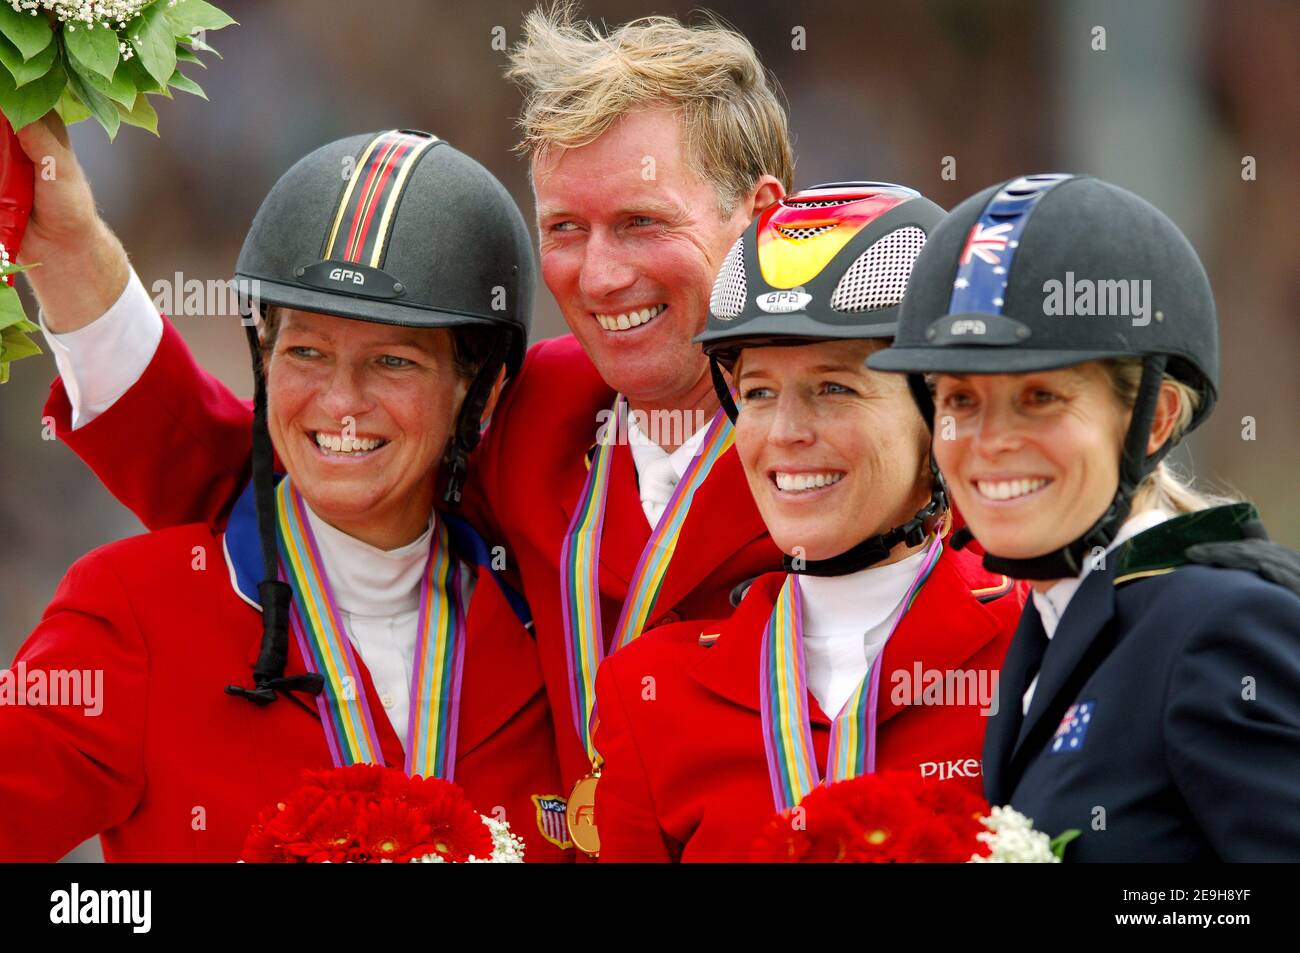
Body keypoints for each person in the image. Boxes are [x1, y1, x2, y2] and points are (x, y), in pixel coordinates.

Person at [30, 10, 796, 847]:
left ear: (761, 215)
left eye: (642, 221)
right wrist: (68, 256)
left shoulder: (875, 431)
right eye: (566, 228)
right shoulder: (539, 411)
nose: (604, 275)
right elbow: (282, 475)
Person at [0, 129, 571, 862]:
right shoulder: (133, 611)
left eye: (392, 361)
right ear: (263, 358)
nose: (340, 402)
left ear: (482, 389)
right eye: (305, 351)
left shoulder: (550, 632)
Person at [867, 173, 1300, 861]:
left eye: (1038, 396)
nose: (990, 442)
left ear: (1152, 420)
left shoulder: (1220, 628)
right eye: (960, 400)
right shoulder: (1055, 627)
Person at [592, 182, 1026, 861]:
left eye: (834, 387)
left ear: (945, 412)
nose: (786, 433)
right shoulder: (647, 697)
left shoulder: (1038, 650)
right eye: (759, 391)